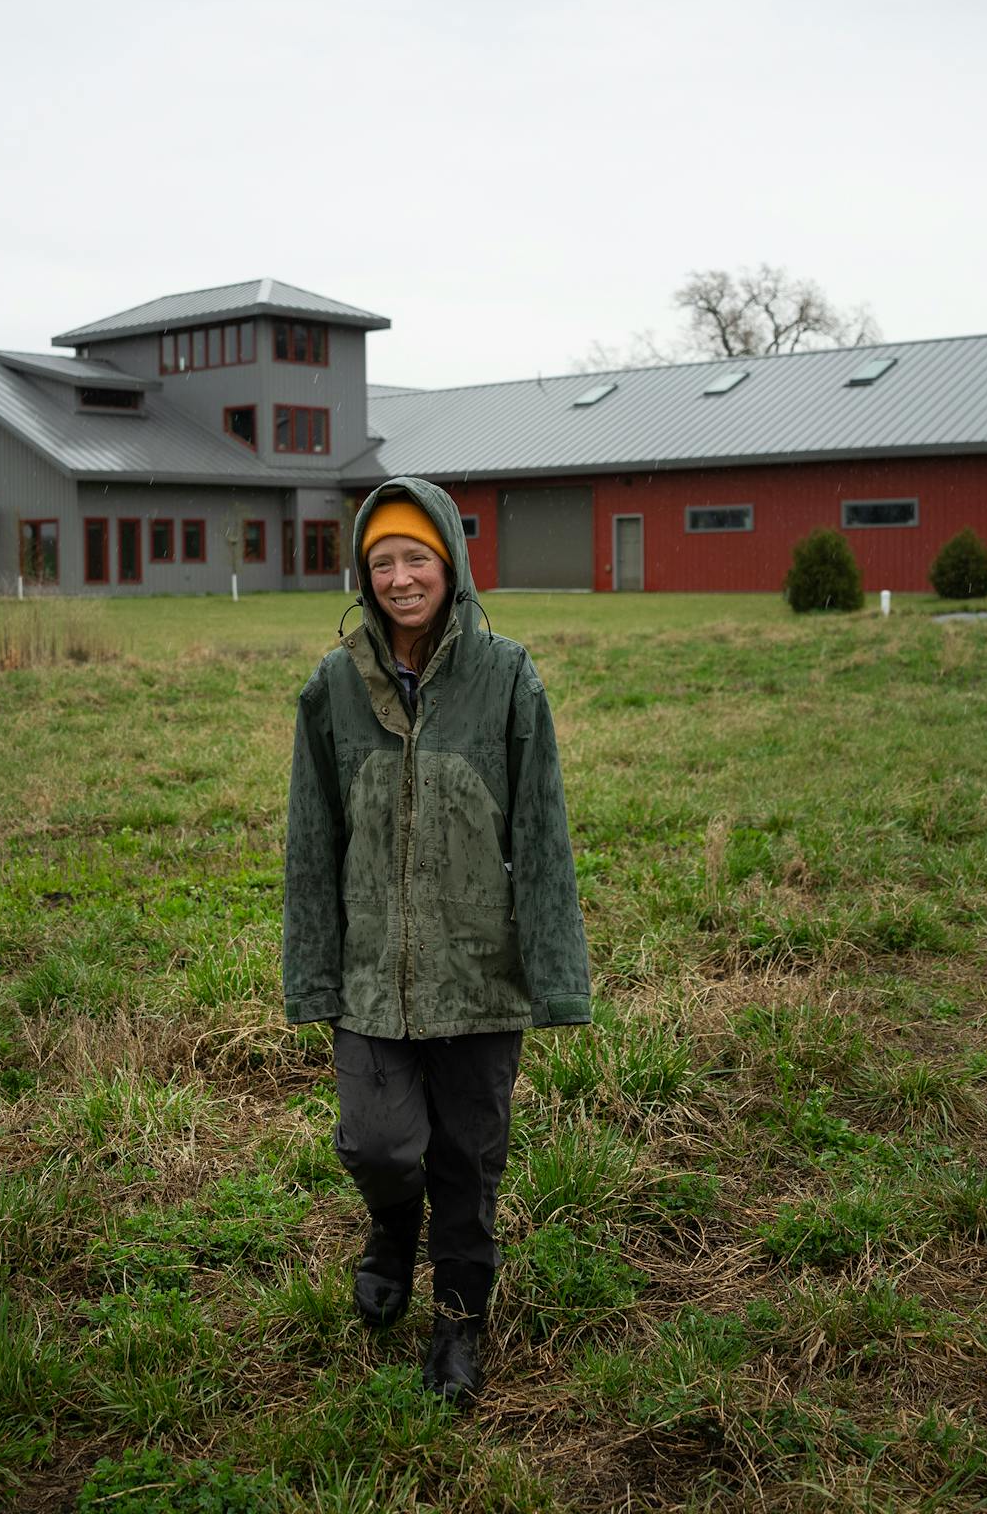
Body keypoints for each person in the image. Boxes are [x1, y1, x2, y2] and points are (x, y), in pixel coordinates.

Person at [281, 476, 590, 1405]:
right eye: (383, 562)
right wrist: (314, 976)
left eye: (417, 558)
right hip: (373, 977)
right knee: (379, 1145)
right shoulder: (334, 686)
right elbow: (310, 843)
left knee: (469, 1160)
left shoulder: (507, 676)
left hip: (479, 978)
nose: (401, 578)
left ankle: (459, 1324)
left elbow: (541, 835)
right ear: (362, 573)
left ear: (450, 563)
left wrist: (554, 977)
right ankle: (389, 1228)